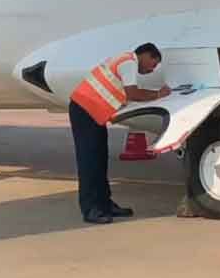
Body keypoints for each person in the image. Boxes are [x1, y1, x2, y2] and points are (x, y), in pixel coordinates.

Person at [68, 42, 171, 224]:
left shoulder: (123, 61)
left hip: (93, 113)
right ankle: (91, 209)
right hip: (84, 111)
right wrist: (158, 94)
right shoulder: (129, 62)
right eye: (153, 64)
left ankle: (105, 204)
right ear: (146, 55)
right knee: (89, 161)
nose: (152, 69)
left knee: (100, 159)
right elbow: (132, 93)